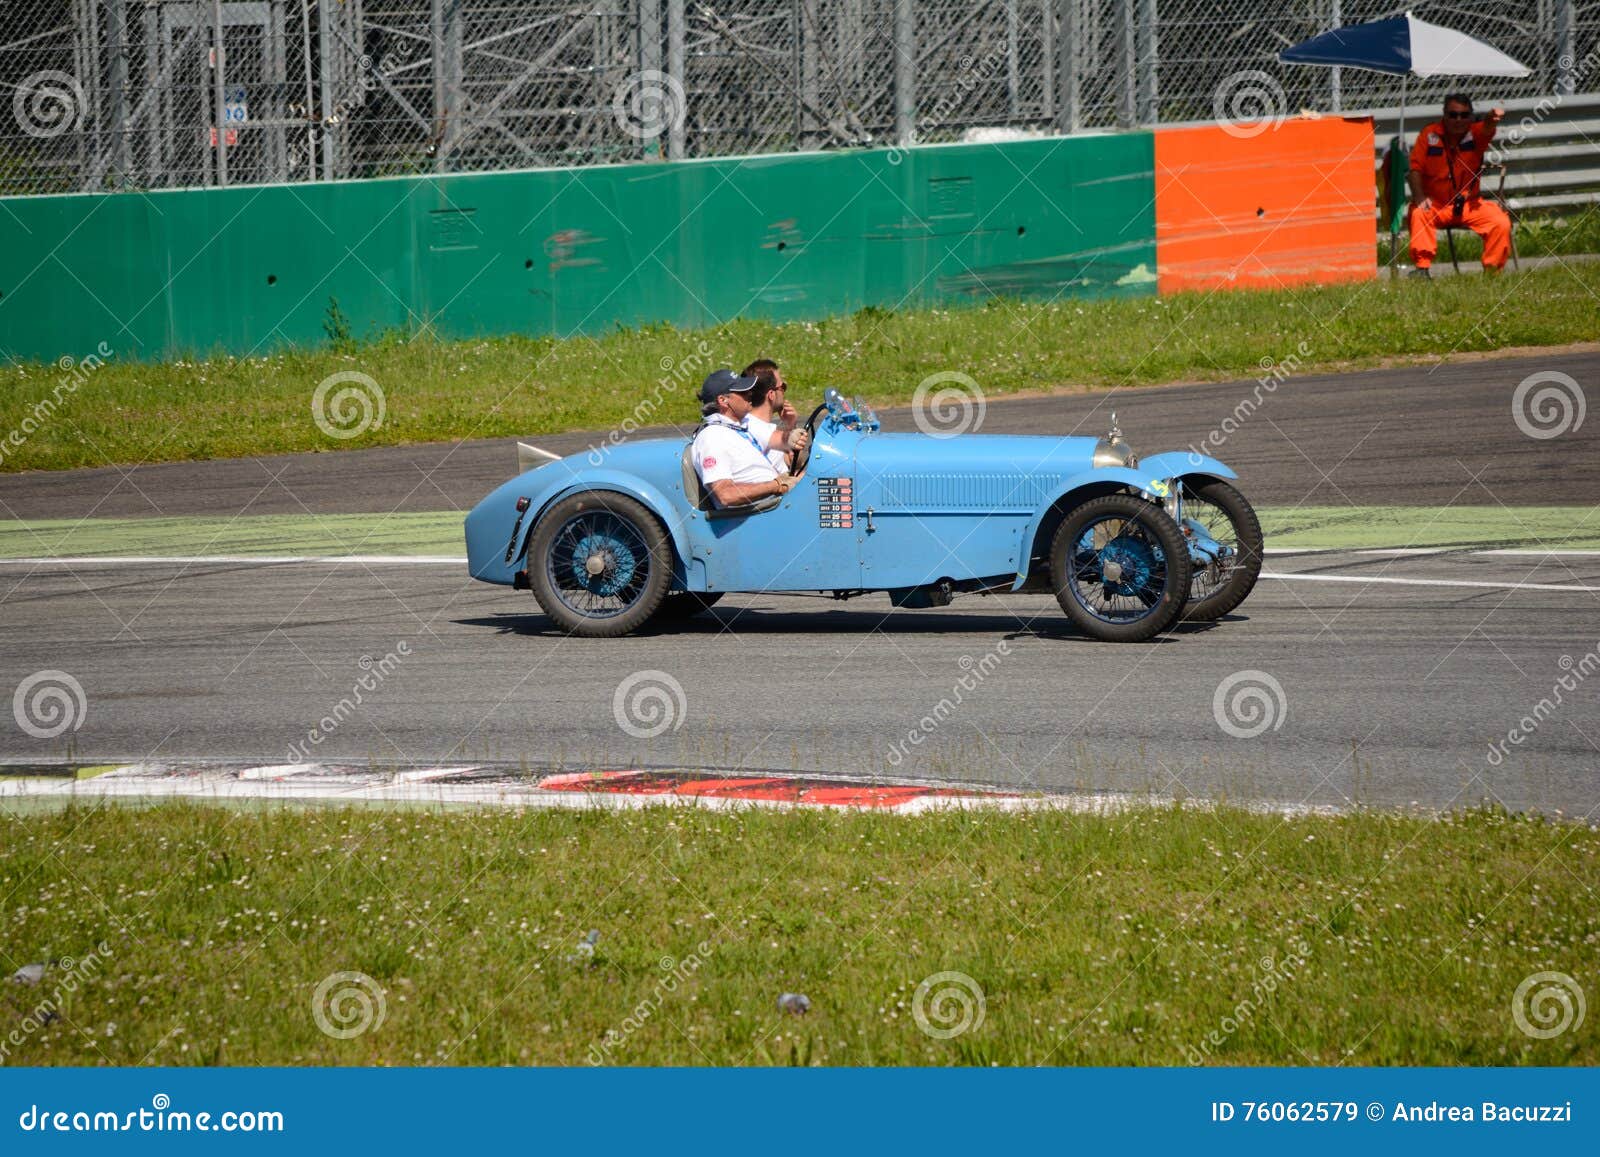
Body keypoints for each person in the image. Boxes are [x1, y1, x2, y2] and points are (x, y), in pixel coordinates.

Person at [1407, 94, 1510, 277]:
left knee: (1500, 221)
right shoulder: (1429, 134)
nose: (1458, 120)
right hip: (1436, 204)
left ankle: (1493, 273)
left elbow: (1487, 127)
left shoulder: (1476, 134)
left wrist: (1491, 117)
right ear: (1444, 115)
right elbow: (1415, 169)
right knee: (1418, 213)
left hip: (1469, 205)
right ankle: (1422, 270)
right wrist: (1420, 197)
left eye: (1464, 115)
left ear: (1470, 116)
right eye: (1453, 115)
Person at [690, 369, 803, 509]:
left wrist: (791, 430)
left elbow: (785, 449)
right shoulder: (712, 438)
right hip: (760, 514)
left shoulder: (742, 426)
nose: (750, 394)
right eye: (742, 392)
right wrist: (776, 485)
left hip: (780, 503)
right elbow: (725, 495)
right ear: (723, 400)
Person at [740, 358, 809, 472]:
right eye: (782, 387)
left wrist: (791, 426)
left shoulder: (755, 425)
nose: (784, 392)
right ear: (771, 395)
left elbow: (794, 463)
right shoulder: (758, 431)